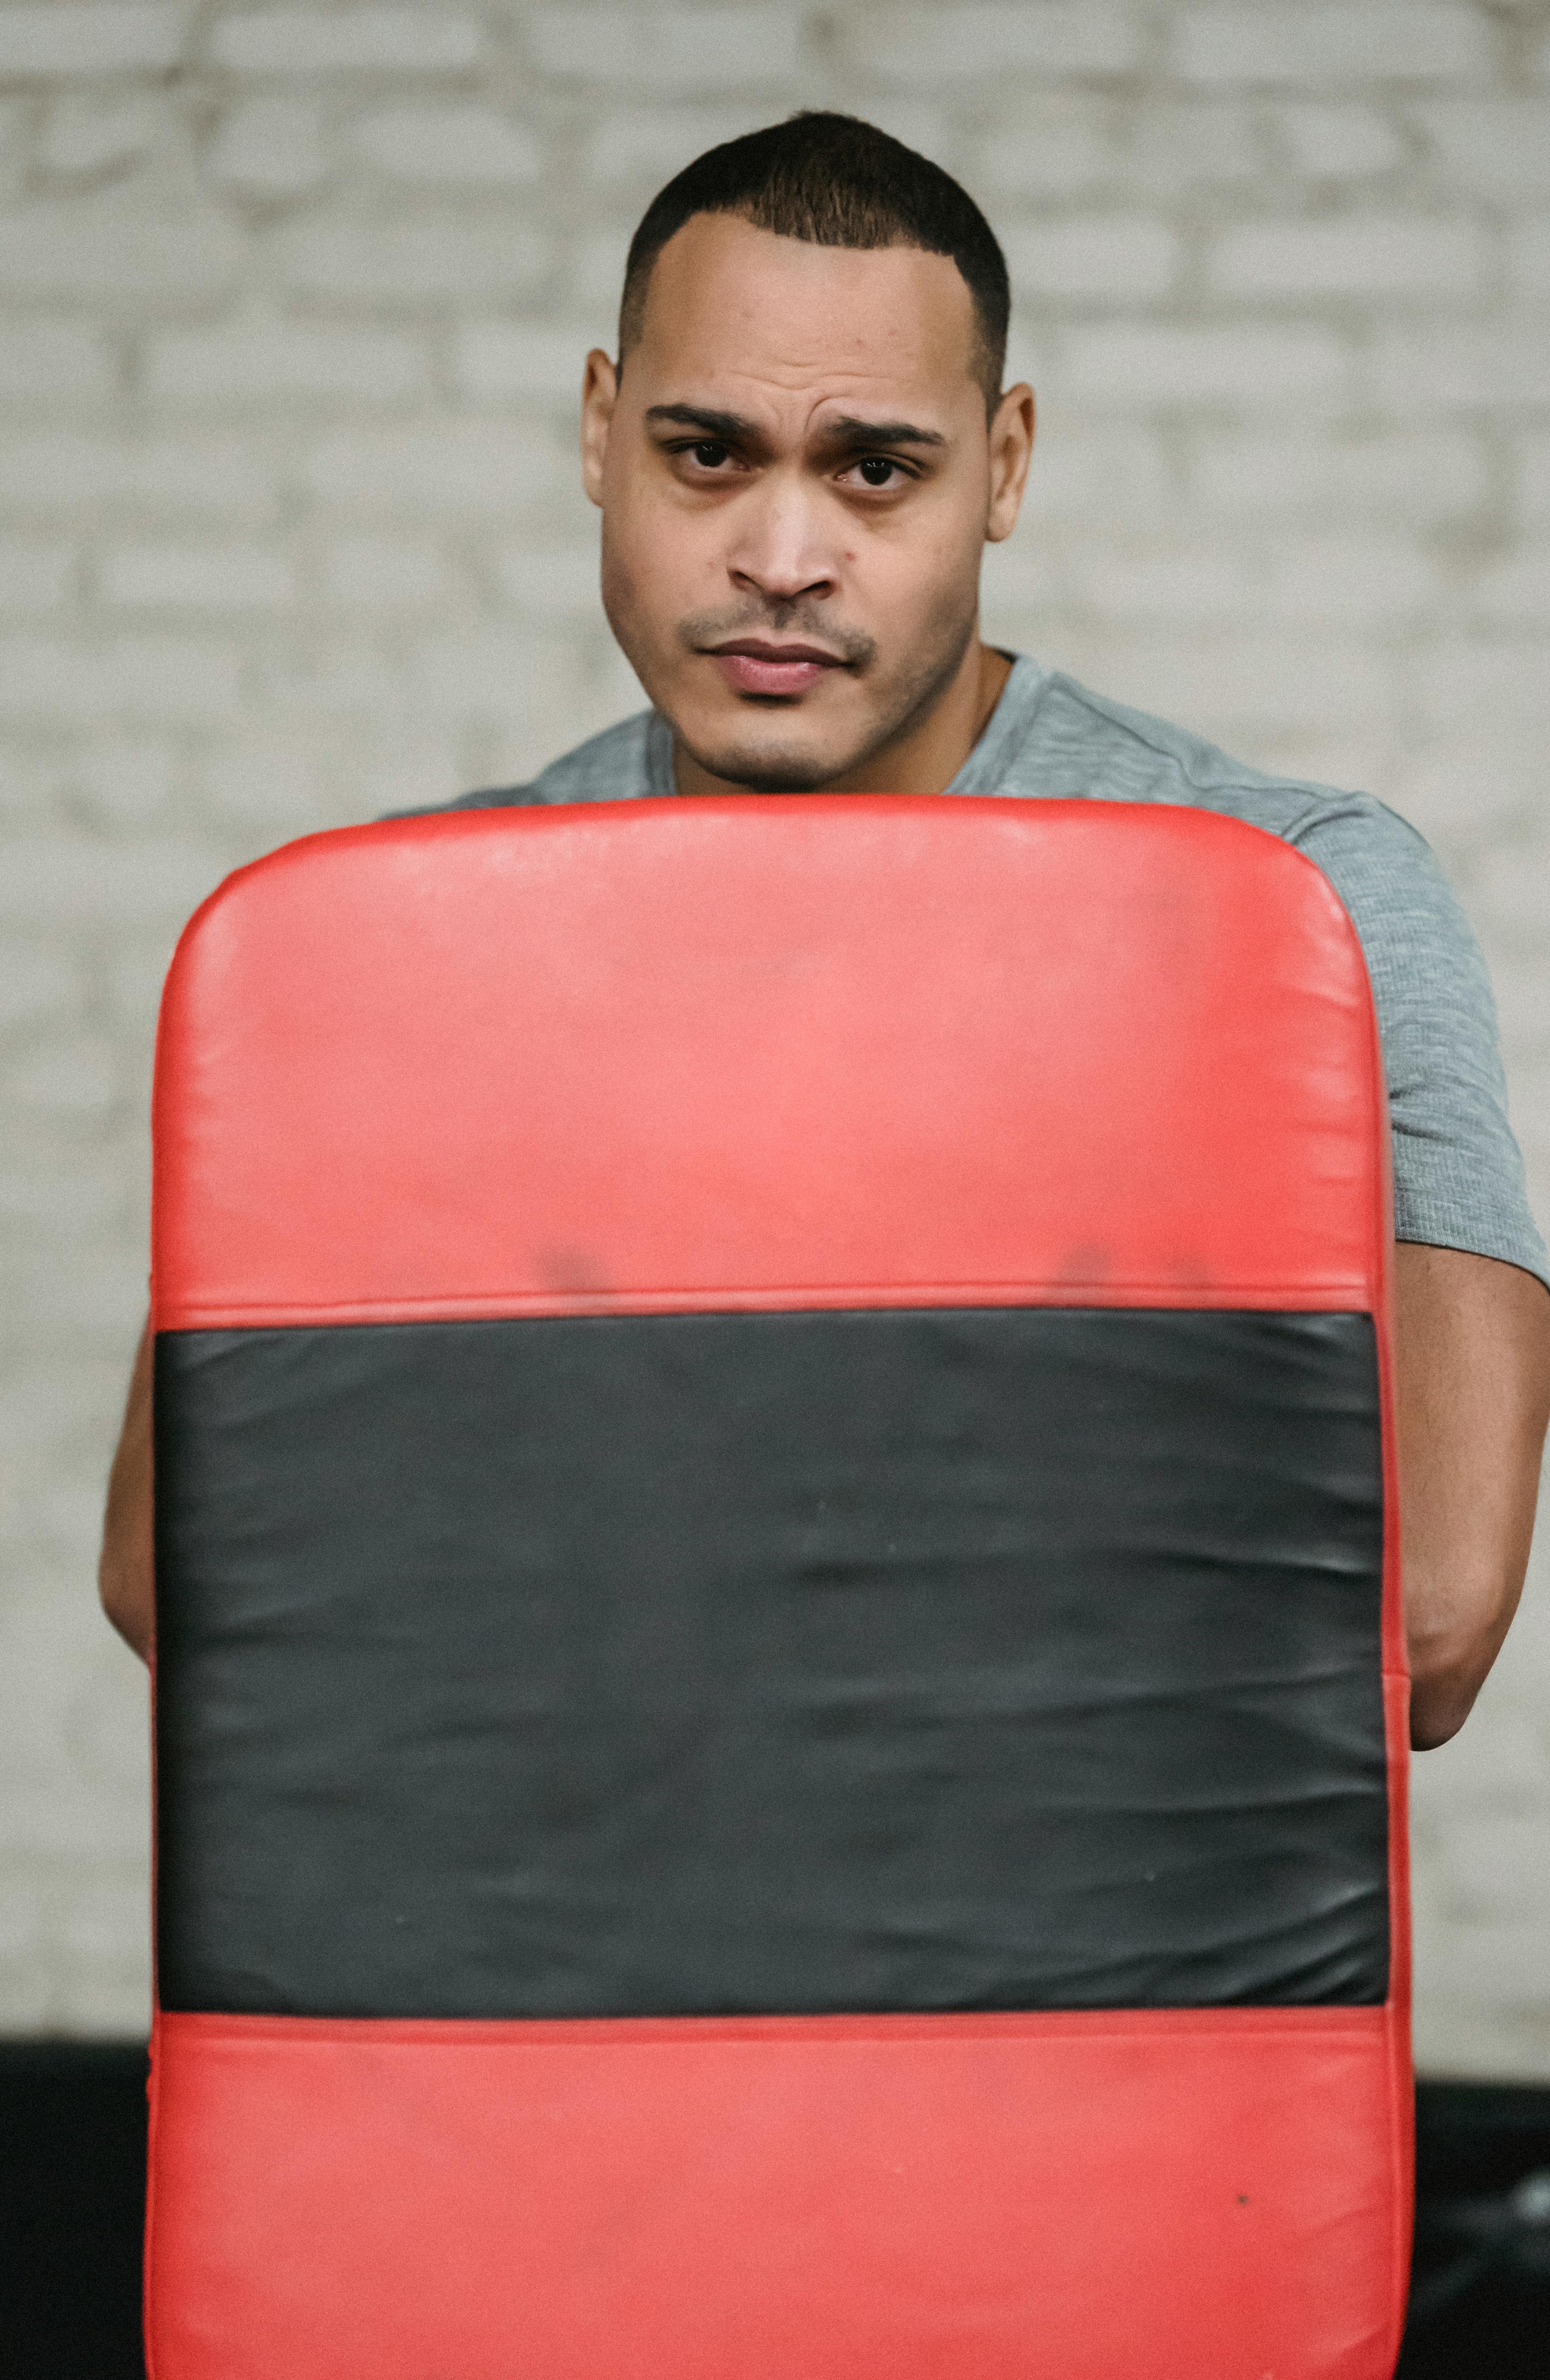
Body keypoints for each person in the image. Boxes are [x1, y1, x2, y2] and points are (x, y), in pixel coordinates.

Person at [101, 110, 1549, 1750]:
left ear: (1000, 466)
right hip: (550, 1960)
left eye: (874, 469)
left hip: (1095, 1976)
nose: (781, 559)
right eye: (705, 453)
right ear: (598, 431)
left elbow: (1423, 1608)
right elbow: (185, 1574)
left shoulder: (1305, 897)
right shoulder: (380, 936)